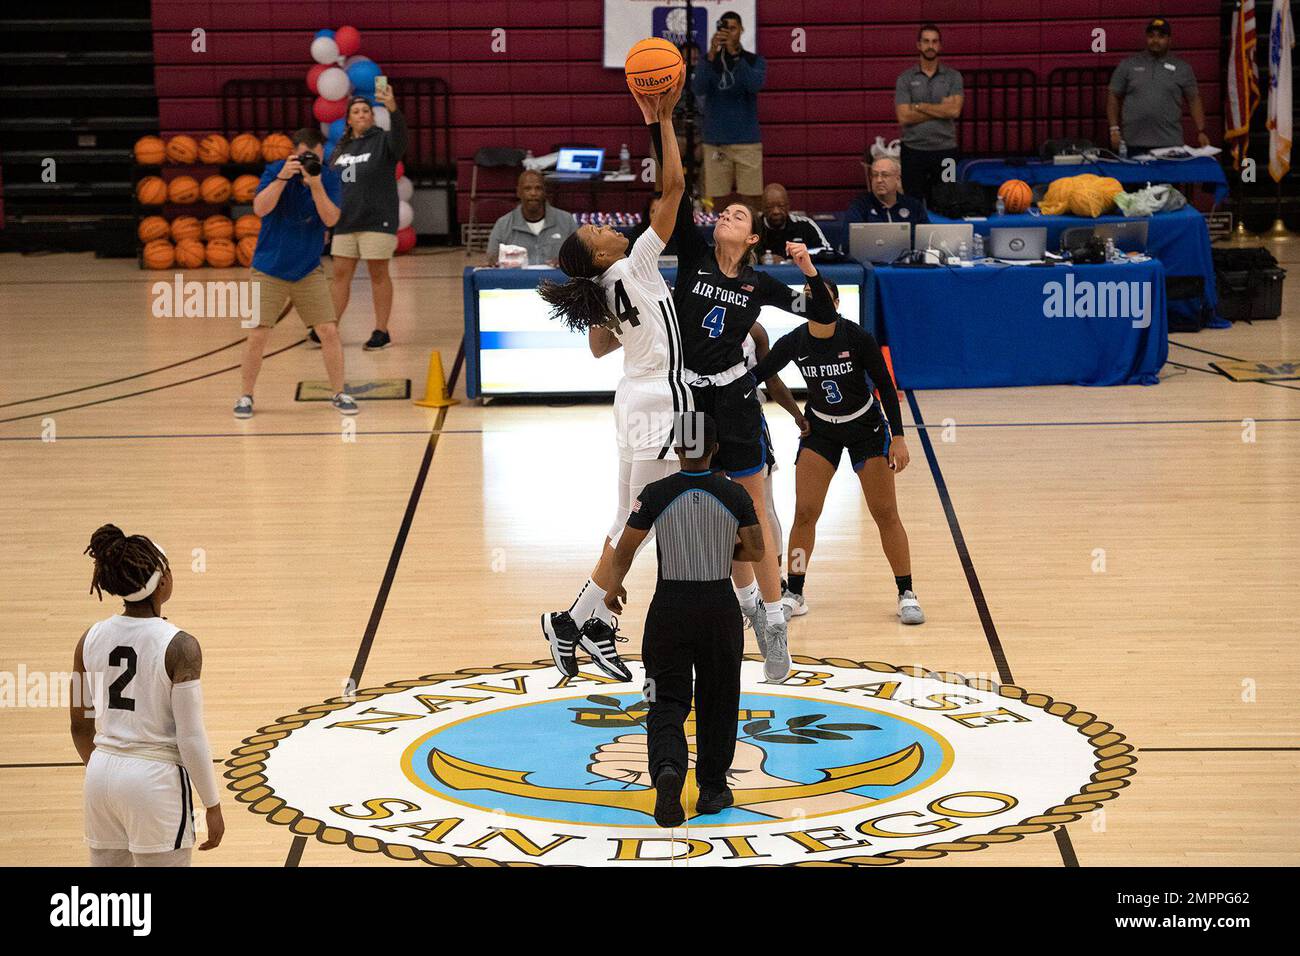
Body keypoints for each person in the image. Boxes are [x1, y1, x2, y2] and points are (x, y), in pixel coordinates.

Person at [646, 122, 839, 682]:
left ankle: (773, 621)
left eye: (739, 216)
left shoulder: (759, 284)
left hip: (734, 398)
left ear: (753, 239)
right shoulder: (691, 256)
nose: (727, 216)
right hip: (688, 396)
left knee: (749, 513)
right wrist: (660, 120)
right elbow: (674, 185)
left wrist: (808, 269)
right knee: (702, 513)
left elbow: (822, 312)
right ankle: (747, 603)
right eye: (723, 213)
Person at [537, 76, 688, 683]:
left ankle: (593, 619)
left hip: (631, 397)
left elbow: (601, 346)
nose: (607, 226)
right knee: (644, 519)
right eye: (597, 232)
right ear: (602, 256)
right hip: (660, 400)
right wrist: (664, 119)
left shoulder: (601, 287)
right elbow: (674, 186)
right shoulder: (635, 262)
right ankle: (575, 617)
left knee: (627, 515)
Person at [601, 412, 766, 827]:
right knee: (719, 700)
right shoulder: (735, 495)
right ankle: (711, 789)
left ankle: (669, 771)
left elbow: (625, 547)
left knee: (666, 701)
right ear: (713, 449)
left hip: (669, 610)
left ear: (676, 449)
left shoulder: (656, 493)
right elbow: (757, 551)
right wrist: (725, 552)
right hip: (718, 610)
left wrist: (614, 587)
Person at [747, 280, 924, 625]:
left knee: (885, 513)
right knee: (805, 514)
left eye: (821, 297)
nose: (814, 302)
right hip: (821, 429)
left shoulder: (856, 337)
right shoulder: (796, 341)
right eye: (808, 297)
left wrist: (899, 436)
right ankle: (795, 592)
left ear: (838, 303)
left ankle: (907, 593)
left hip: (865, 428)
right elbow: (760, 374)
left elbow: (886, 385)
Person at [72, 525, 224, 866]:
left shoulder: (88, 639)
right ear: (162, 582)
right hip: (155, 782)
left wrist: (108, 771)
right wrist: (212, 805)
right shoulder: (181, 646)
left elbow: (80, 726)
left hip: (99, 777)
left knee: (113, 910)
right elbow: (191, 737)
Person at [234, 128, 357, 419]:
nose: (306, 161)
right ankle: (245, 396)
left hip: (307, 270)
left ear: (322, 152)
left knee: (328, 330)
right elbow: (260, 209)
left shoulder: (327, 178)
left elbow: (331, 218)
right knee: (258, 334)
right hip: (268, 269)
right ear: (292, 153)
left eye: (311, 155)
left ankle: (339, 393)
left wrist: (314, 184)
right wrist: (281, 179)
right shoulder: (275, 171)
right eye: (301, 156)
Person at [324, 87, 408, 352]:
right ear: (348, 119)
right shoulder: (342, 148)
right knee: (339, 275)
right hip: (346, 221)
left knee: (378, 274)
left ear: (372, 116)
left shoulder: (383, 141)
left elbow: (402, 139)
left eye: (366, 111)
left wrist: (392, 107)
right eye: (356, 112)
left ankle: (382, 331)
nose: (361, 115)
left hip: (377, 220)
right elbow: (338, 185)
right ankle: (330, 328)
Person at [693, 10, 767, 209]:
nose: (729, 33)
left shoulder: (754, 60)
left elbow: (754, 85)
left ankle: (754, 237)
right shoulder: (708, 61)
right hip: (716, 141)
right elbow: (698, 88)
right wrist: (710, 56)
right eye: (725, 29)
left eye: (733, 28)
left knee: (752, 199)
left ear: (741, 30)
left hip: (747, 141)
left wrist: (735, 55)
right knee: (715, 200)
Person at [1107, 18, 1210, 155]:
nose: (1155, 40)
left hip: (1170, 144)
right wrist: (1114, 129)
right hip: (1133, 143)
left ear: (1169, 40)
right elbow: (1113, 95)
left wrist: (1201, 131)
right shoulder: (1128, 65)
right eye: (1151, 36)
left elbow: (1194, 99)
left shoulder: (1182, 68)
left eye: (1161, 36)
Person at [895, 23, 964, 205]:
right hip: (913, 151)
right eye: (926, 41)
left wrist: (918, 106)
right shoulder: (905, 78)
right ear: (919, 45)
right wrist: (940, 110)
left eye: (934, 41)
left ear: (940, 45)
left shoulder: (953, 77)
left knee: (947, 200)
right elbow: (903, 117)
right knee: (911, 203)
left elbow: (954, 110)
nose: (930, 46)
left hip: (946, 150)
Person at [486, 169, 578, 266]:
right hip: (517, 280)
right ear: (519, 192)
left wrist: (565, 263)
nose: (533, 193)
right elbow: (492, 261)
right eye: (527, 188)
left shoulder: (566, 220)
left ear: (545, 191)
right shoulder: (503, 224)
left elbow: (581, 258)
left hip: (555, 280)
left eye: (538, 188)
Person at [846, 155, 930, 224]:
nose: (879, 180)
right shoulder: (859, 207)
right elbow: (848, 241)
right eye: (875, 175)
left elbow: (929, 239)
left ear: (897, 178)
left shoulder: (914, 206)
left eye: (885, 175)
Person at [758, 183, 830, 256]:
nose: (776, 211)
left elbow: (827, 252)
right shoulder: (753, 227)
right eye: (769, 207)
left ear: (788, 206)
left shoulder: (805, 225)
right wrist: (759, 260)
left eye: (781, 206)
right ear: (762, 208)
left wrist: (801, 259)